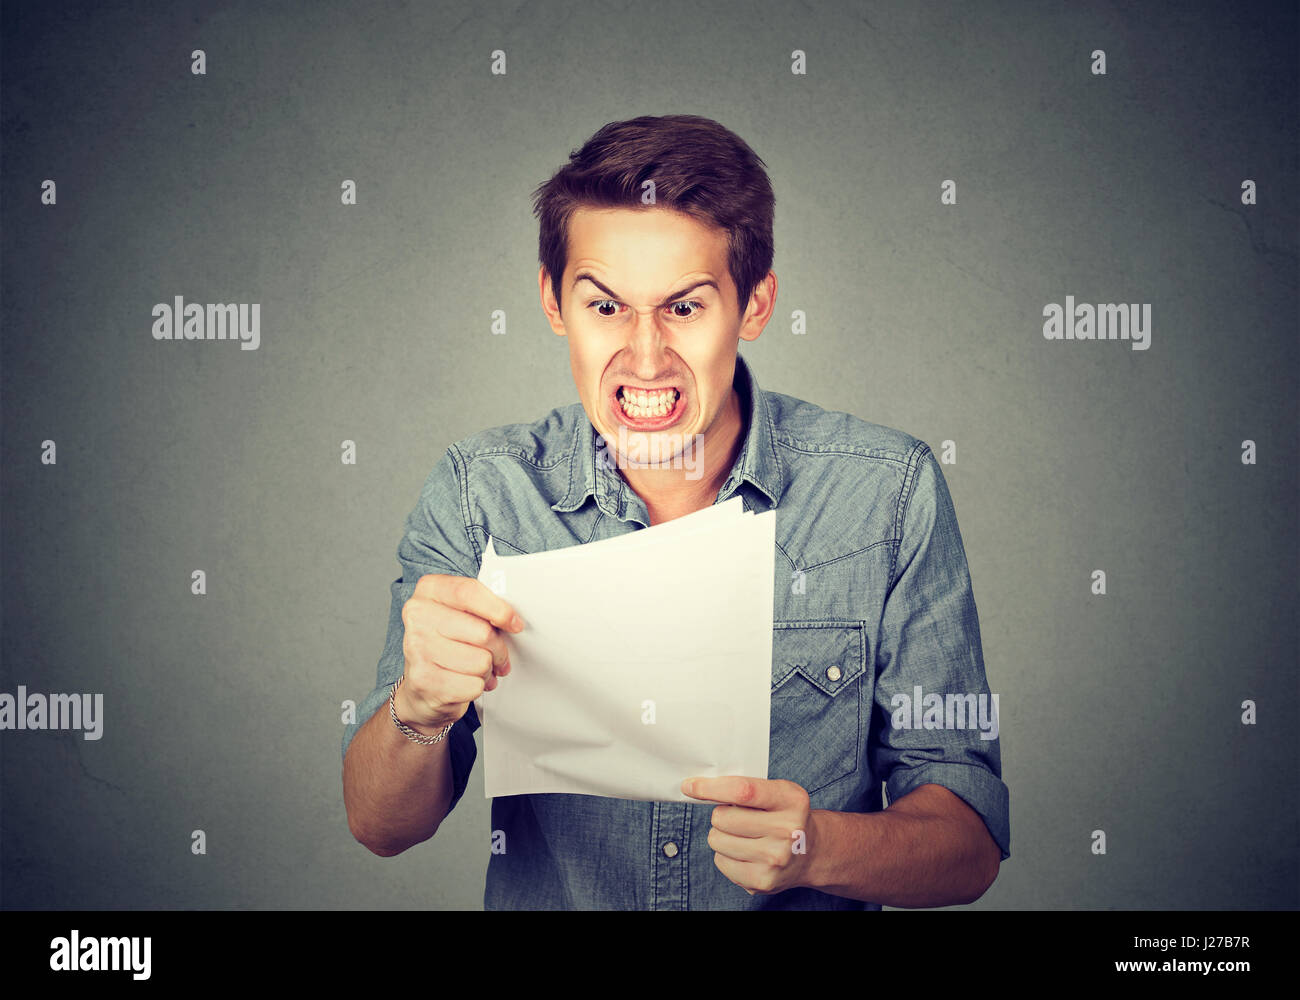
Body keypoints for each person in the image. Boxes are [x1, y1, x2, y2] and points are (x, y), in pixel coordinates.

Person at [341, 114, 1009, 910]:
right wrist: (416, 710)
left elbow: (968, 845)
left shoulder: (887, 492)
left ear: (754, 305)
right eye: (606, 307)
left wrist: (818, 848)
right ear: (554, 303)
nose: (646, 355)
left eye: (685, 308)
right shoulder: (480, 493)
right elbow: (381, 826)